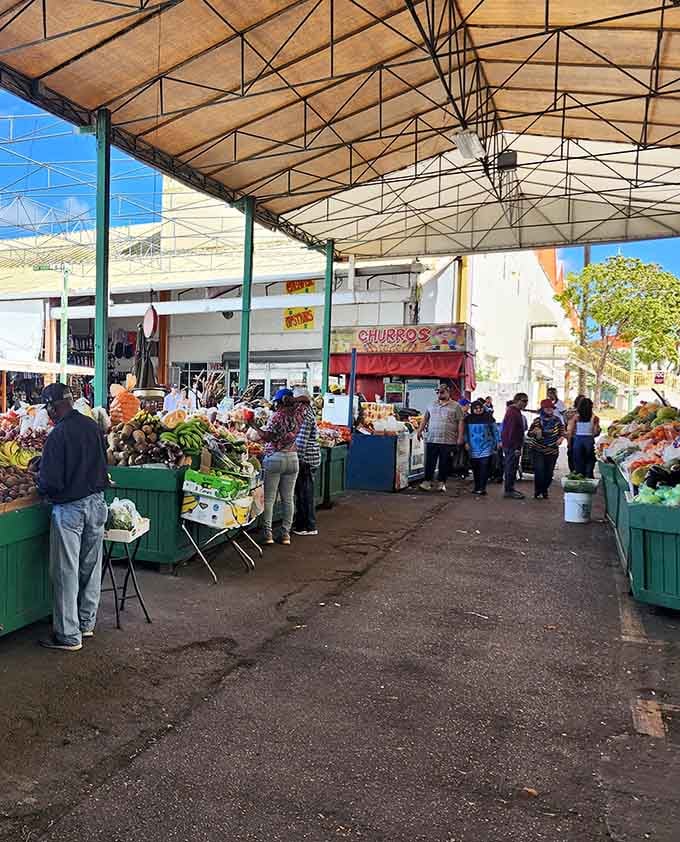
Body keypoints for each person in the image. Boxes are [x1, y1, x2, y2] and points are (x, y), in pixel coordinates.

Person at [35, 383, 109, 652]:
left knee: (67, 572)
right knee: (91, 566)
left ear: (54, 407)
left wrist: (39, 481)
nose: (50, 414)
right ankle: (86, 624)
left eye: (49, 409)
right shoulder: (91, 426)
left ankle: (68, 634)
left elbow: (51, 482)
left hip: (70, 510)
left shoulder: (58, 434)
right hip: (98, 503)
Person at [256, 388, 300, 546]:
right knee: (288, 498)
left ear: (279, 401)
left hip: (275, 458)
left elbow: (267, 437)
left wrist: (253, 425)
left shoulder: (276, 417)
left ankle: (268, 534)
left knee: (269, 499)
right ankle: (286, 534)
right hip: (293, 459)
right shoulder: (298, 416)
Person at [417, 383, 464, 492]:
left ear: (448, 392)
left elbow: (461, 422)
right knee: (430, 462)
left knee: (444, 463)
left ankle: (441, 483)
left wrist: (460, 437)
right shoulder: (431, 404)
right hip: (432, 438)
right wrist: (419, 430)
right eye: (438, 392)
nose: (439, 394)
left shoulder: (456, 406)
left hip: (448, 440)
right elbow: (425, 418)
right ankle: (427, 482)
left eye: (442, 392)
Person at [292, 386, 321, 536]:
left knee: (304, 493)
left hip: (306, 460)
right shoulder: (308, 412)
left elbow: (301, 442)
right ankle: (305, 524)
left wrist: (294, 458)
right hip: (311, 458)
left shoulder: (305, 415)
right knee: (305, 492)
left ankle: (306, 526)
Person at [527, 398, 566, 499]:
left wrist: (561, 438)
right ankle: (538, 490)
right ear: (542, 409)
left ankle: (544, 489)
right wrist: (535, 432)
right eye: (547, 408)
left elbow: (562, 431)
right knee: (539, 470)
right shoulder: (537, 421)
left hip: (552, 450)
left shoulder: (557, 420)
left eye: (551, 408)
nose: (549, 409)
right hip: (537, 449)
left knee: (549, 473)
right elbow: (529, 433)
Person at [464, 399, 499, 496]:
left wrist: (498, 442)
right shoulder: (468, 419)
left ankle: (482, 488)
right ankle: (477, 487)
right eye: (476, 408)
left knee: (484, 467)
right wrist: (466, 442)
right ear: (472, 409)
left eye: (480, 408)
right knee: (476, 468)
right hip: (473, 448)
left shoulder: (489, 418)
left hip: (486, 447)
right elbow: (465, 432)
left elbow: (495, 431)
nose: (478, 410)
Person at [501, 392, 528, 499]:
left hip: (512, 445)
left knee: (512, 467)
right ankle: (508, 490)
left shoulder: (514, 411)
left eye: (527, 401)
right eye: (524, 401)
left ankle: (510, 488)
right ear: (517, 400)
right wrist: (516, 447)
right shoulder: (512, 412)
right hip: (511, 446)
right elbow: (511, 432)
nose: (526, 403)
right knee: (510, 467)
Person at [567, 397, 600, 478]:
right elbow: (595, 432)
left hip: (578, 440)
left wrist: (569, 442)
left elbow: (570, 431)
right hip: (589, 440)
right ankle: (589, 476)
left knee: (578, 460)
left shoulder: (576, 417)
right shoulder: (595, 418)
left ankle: (579, 476)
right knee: (589, 460)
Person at [566, 394, 585, 472]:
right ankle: (575, 472)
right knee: (575, 456)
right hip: (577, 438)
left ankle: (574, 472)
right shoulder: (574, 413)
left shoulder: (569, 412)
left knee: (573, 456)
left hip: (575, 437)